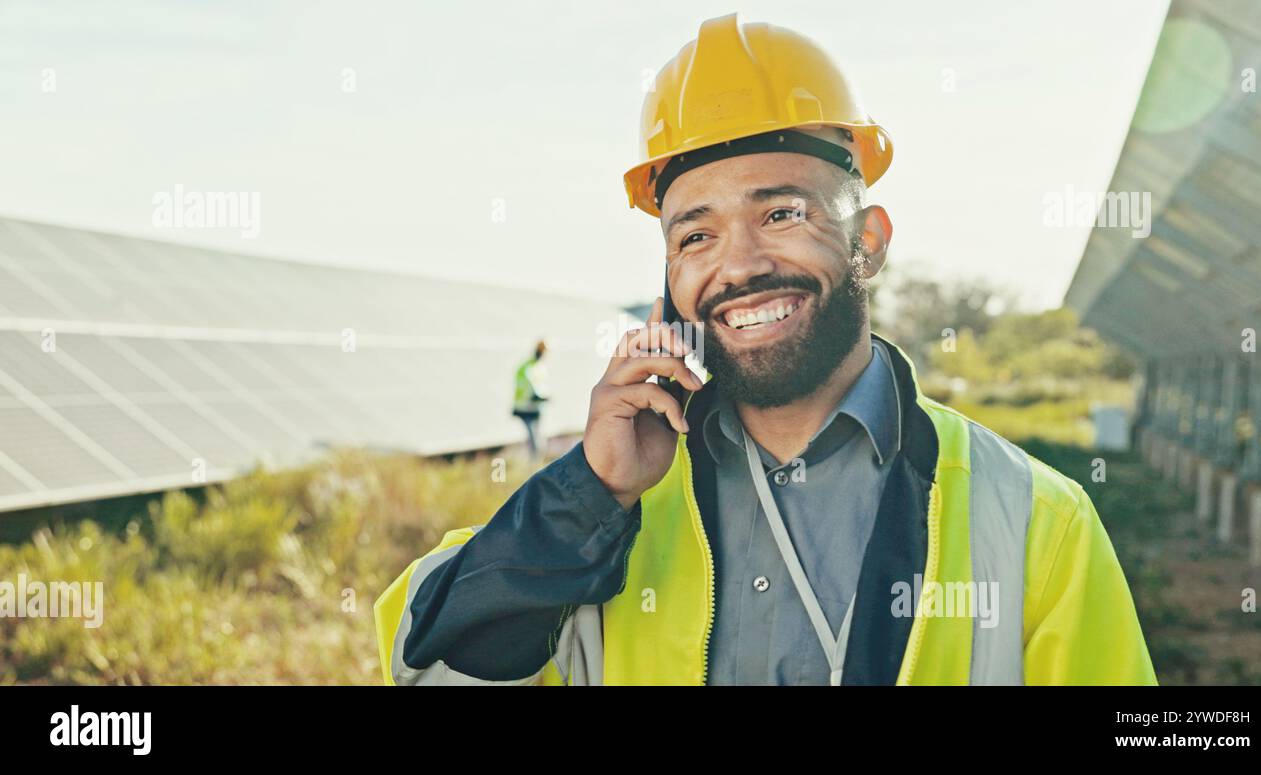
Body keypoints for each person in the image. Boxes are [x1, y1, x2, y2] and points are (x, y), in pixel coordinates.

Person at [375, 14, 1157, 685]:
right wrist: (591, 493)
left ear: (869, 240)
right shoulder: (603, 506)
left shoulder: (1035, 520)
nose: (740, 266)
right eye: (696, 236)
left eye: (782, 214)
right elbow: (425, 668)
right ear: (668, 281)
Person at [511, 340, 549, 461]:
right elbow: (529, 387)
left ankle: (536, 460)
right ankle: (534, 462)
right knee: (535, 440)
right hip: (525, 408)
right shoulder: (528, 368)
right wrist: (537, 396)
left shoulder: (538, 367)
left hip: (534, 407)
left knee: (538, 438)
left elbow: (540, 387)